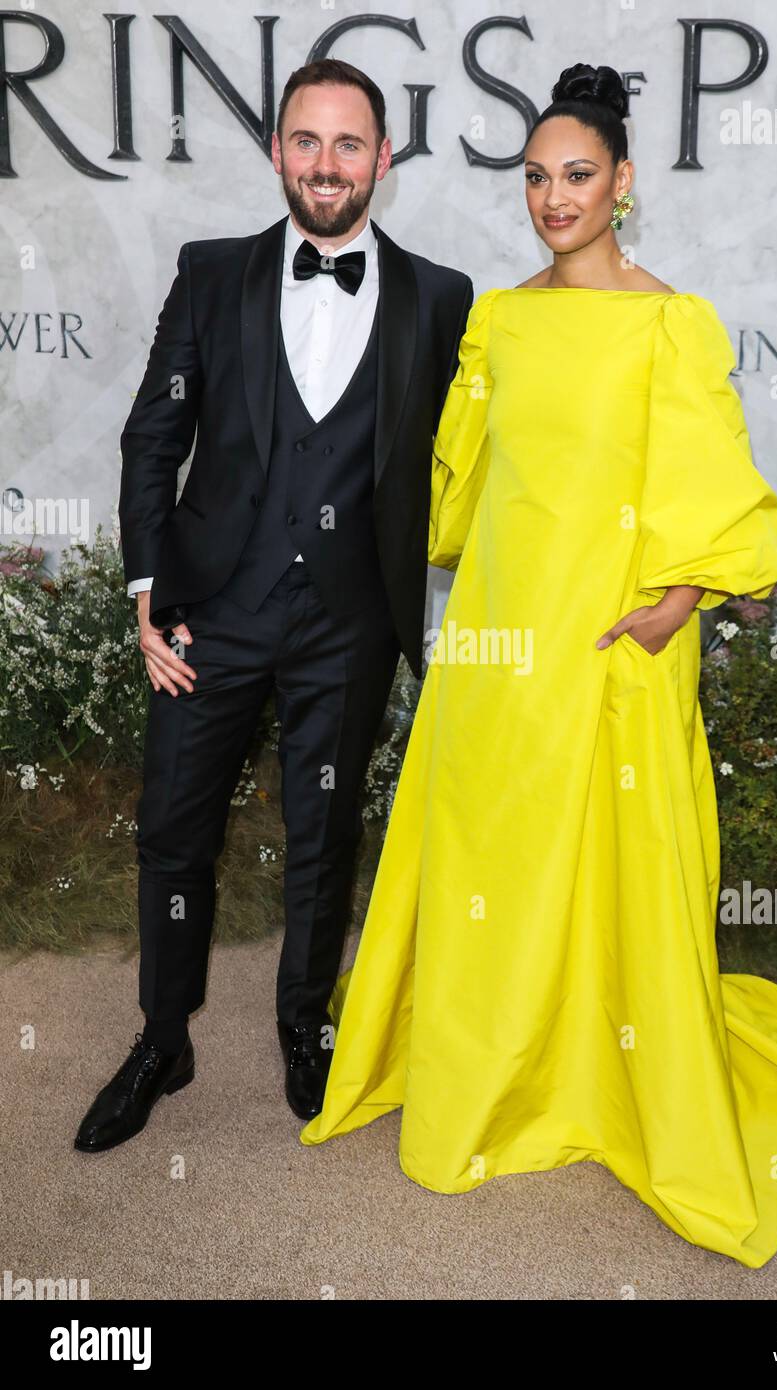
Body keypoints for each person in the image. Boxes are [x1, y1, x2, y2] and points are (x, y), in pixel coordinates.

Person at [298, 63, 777, 1268]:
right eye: (533, 178)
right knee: (489, 845)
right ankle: (488, 1076)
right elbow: (462, 490)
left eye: (576, 176)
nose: (552, 198)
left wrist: (679, 602)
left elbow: (711, 486)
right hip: (504, 637)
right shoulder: (500, 321)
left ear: (623, 183)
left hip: (622, 640)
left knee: (616, 856)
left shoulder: (672, 321)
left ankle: (607, 1080)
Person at [74, 59, 472, 1152]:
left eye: (350, 145)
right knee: (171, 835)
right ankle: (163, 1036)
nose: (327, 164)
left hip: (351, 628)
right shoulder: (211, 274)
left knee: (323, 837)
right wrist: (148, 591)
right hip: (211, 615)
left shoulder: (442, 297)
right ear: (277, 151)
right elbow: (155, 436)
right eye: (308, 141)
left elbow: (475, 462)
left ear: (383, 160)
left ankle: (306, 1023)